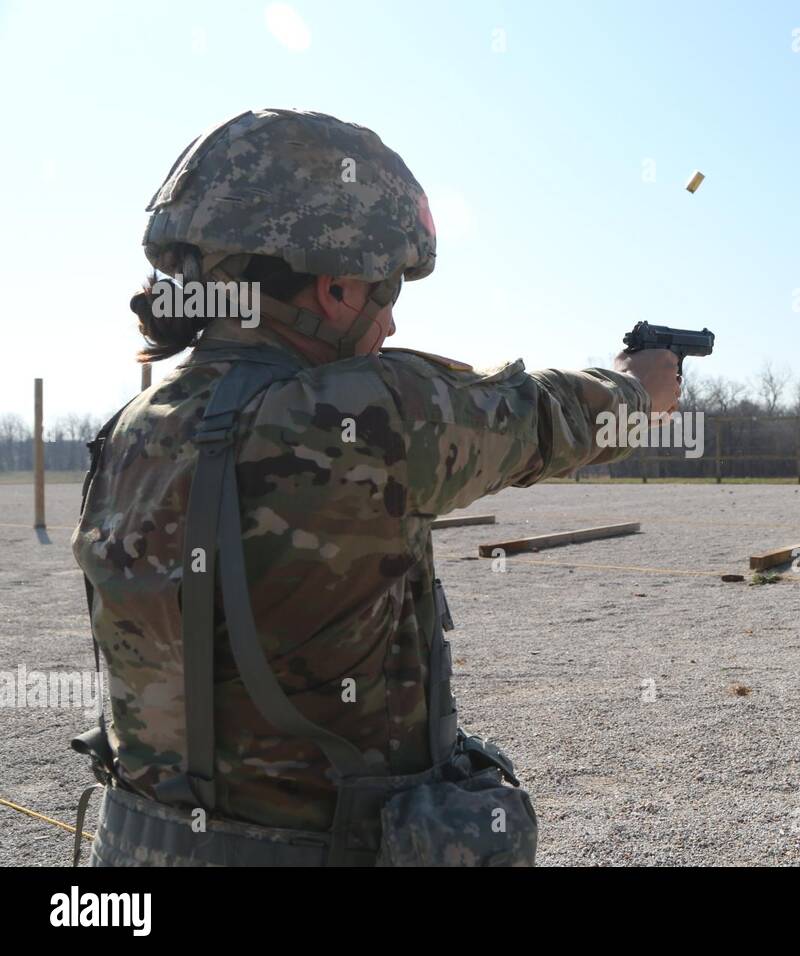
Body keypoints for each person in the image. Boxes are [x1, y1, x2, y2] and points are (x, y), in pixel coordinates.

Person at [70, 108, 680, 866]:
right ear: (333, 289)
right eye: (385, 296)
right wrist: (640, 388)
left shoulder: (132, 427)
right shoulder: (363, 415)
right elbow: (548, 417)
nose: (389, 326)